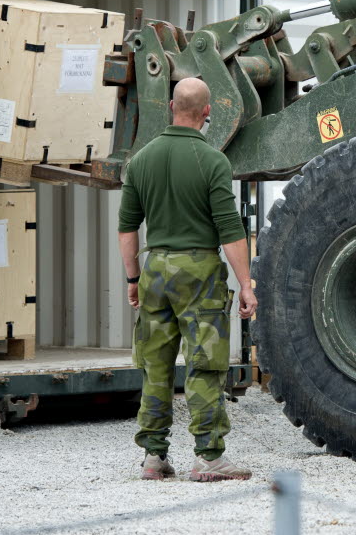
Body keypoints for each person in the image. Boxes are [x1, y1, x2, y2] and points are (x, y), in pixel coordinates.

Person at [117, 77, 258, 482]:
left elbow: (127, 229)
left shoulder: (141, 160)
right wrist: (245, 283)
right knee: (205, 364)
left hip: (156, 270)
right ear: (207, 112)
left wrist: (133, 278)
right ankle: (209, 458)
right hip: (198, 273)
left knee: (155, 366)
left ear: (170, 107)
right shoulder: (213, 161)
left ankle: (153, 457)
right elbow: (230, 229)